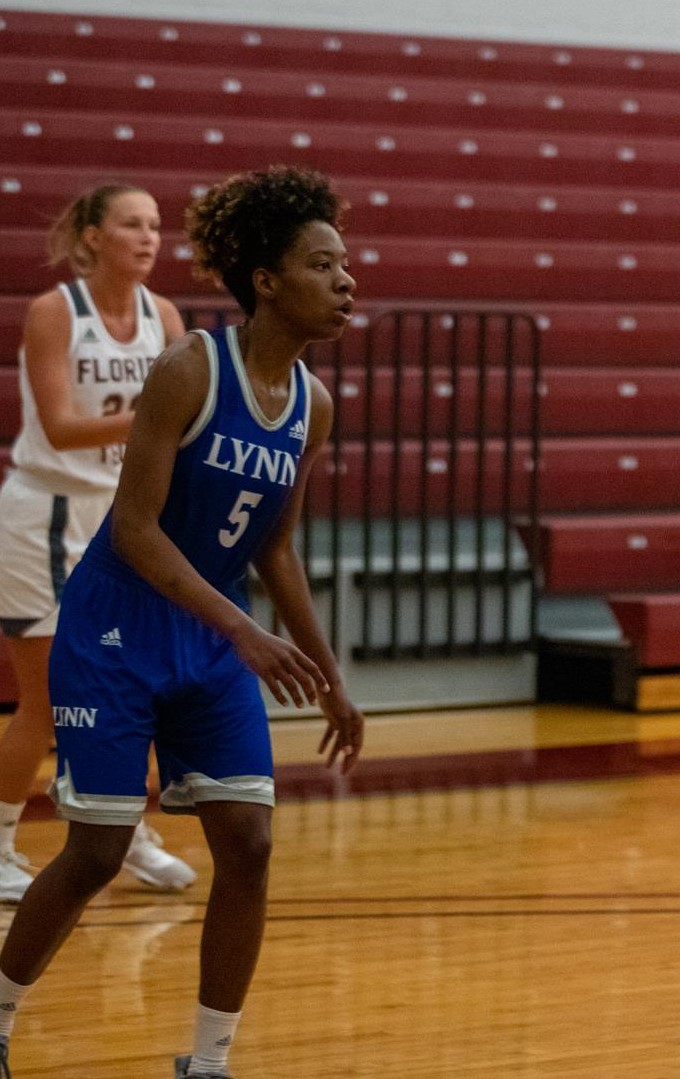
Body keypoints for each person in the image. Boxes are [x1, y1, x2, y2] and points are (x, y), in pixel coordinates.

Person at [0, 166, 365, 1079]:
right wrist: (244, 632)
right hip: (118, 623)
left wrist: (330, 675)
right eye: (323, 264)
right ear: (268, 281)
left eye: (346, 263)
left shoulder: (313, 405)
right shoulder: (189, 370)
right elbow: (132, 530)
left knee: (250, 842)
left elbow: (276, 551)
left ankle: (206, 1063)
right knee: (96, 851)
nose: (346, 280)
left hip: (207, 639)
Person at [0, 184, 199, 902]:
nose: (149, 238)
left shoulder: (164, 315)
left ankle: (130, 835)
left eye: (155, 225)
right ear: (92, 235)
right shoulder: (57, 311)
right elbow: (57, 425)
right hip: (47, 514)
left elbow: (182, 426)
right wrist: (155, 417)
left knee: (132, 687)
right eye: (131, 225)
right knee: (48, 700)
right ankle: (0, 842)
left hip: (122, 517)